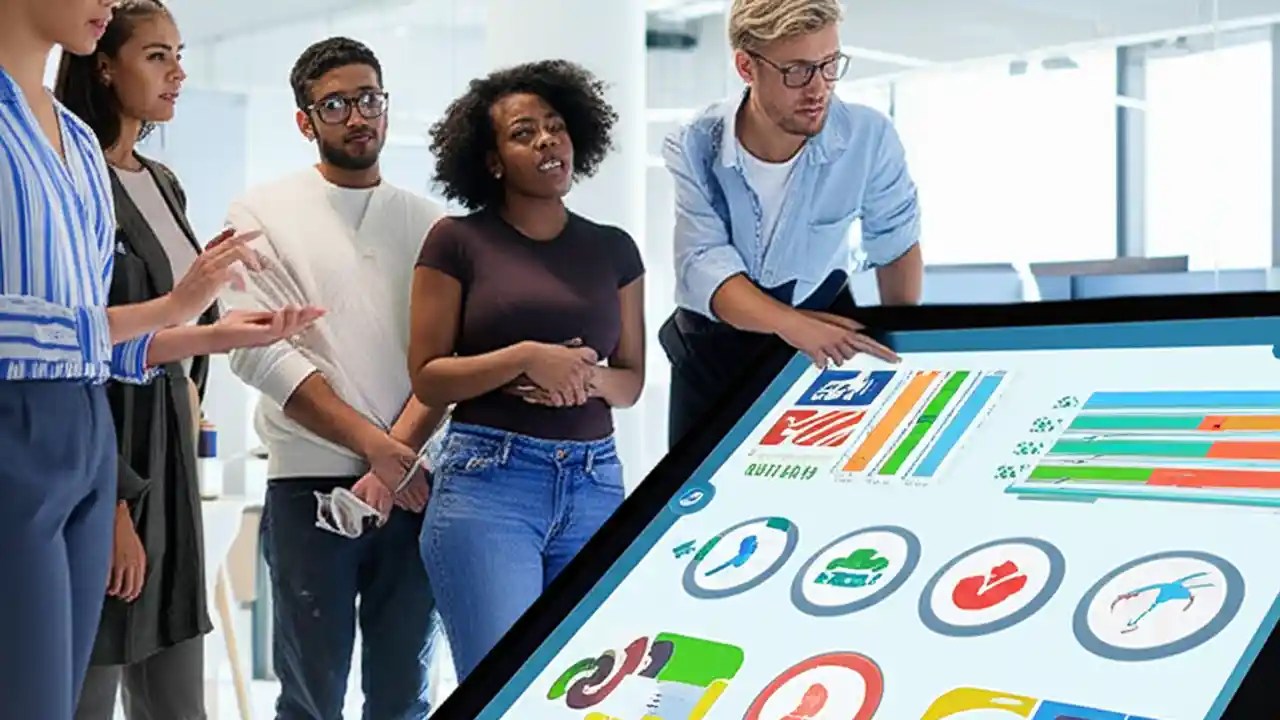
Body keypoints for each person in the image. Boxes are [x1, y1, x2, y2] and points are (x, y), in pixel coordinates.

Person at [0, 1, 320, 717]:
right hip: (21, 433)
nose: (108, 2)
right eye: (156, 54)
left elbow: (99, 335)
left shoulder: (77, 143)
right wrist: (172, 310)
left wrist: (214, 335)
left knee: (62, 695)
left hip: (92, 433)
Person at [222, 36, 447, 720]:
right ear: (305, 121)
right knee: (310, 694)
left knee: (404, 693)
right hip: (307, 484)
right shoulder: (259, 214)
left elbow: (444, 359)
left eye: (370, 98)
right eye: (337, 103)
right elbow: (259, 351)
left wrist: (395, 458)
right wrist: (375, 448)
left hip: (413, 487)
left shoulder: (432, 223)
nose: (358, 116)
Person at [409, 58, 646, 680]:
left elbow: (631, 382)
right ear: (491, 160)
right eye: (522, 132)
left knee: (585, 687)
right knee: (501, 689)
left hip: (596, 484)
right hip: (490, 485)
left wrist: (579, 377)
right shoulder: (455, 241)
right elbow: (429, 376)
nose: (546, 140)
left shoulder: (615, 248)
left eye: (555, 126)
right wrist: (525, 359)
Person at [51, 1, 235, 717]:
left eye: (179, 54)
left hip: (172, 464)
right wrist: (115, 505)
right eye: (157, 55)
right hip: (107, 460)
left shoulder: (162, 181)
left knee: (178, 695)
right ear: (104, 64)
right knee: (91, 687)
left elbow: (181, 317)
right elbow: (82, 347)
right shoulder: (73, 179)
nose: (178, 72)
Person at [659, 0, 924, 448]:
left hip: (826, 333)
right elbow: (705, 264)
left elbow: (896, 245)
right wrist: (794, 324)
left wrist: (905, 351)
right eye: (797, 71)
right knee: (700, 502)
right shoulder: (696, 145)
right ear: (746, 66)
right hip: (718, 349)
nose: (818, 89)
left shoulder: (868, 136)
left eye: (828, 66)